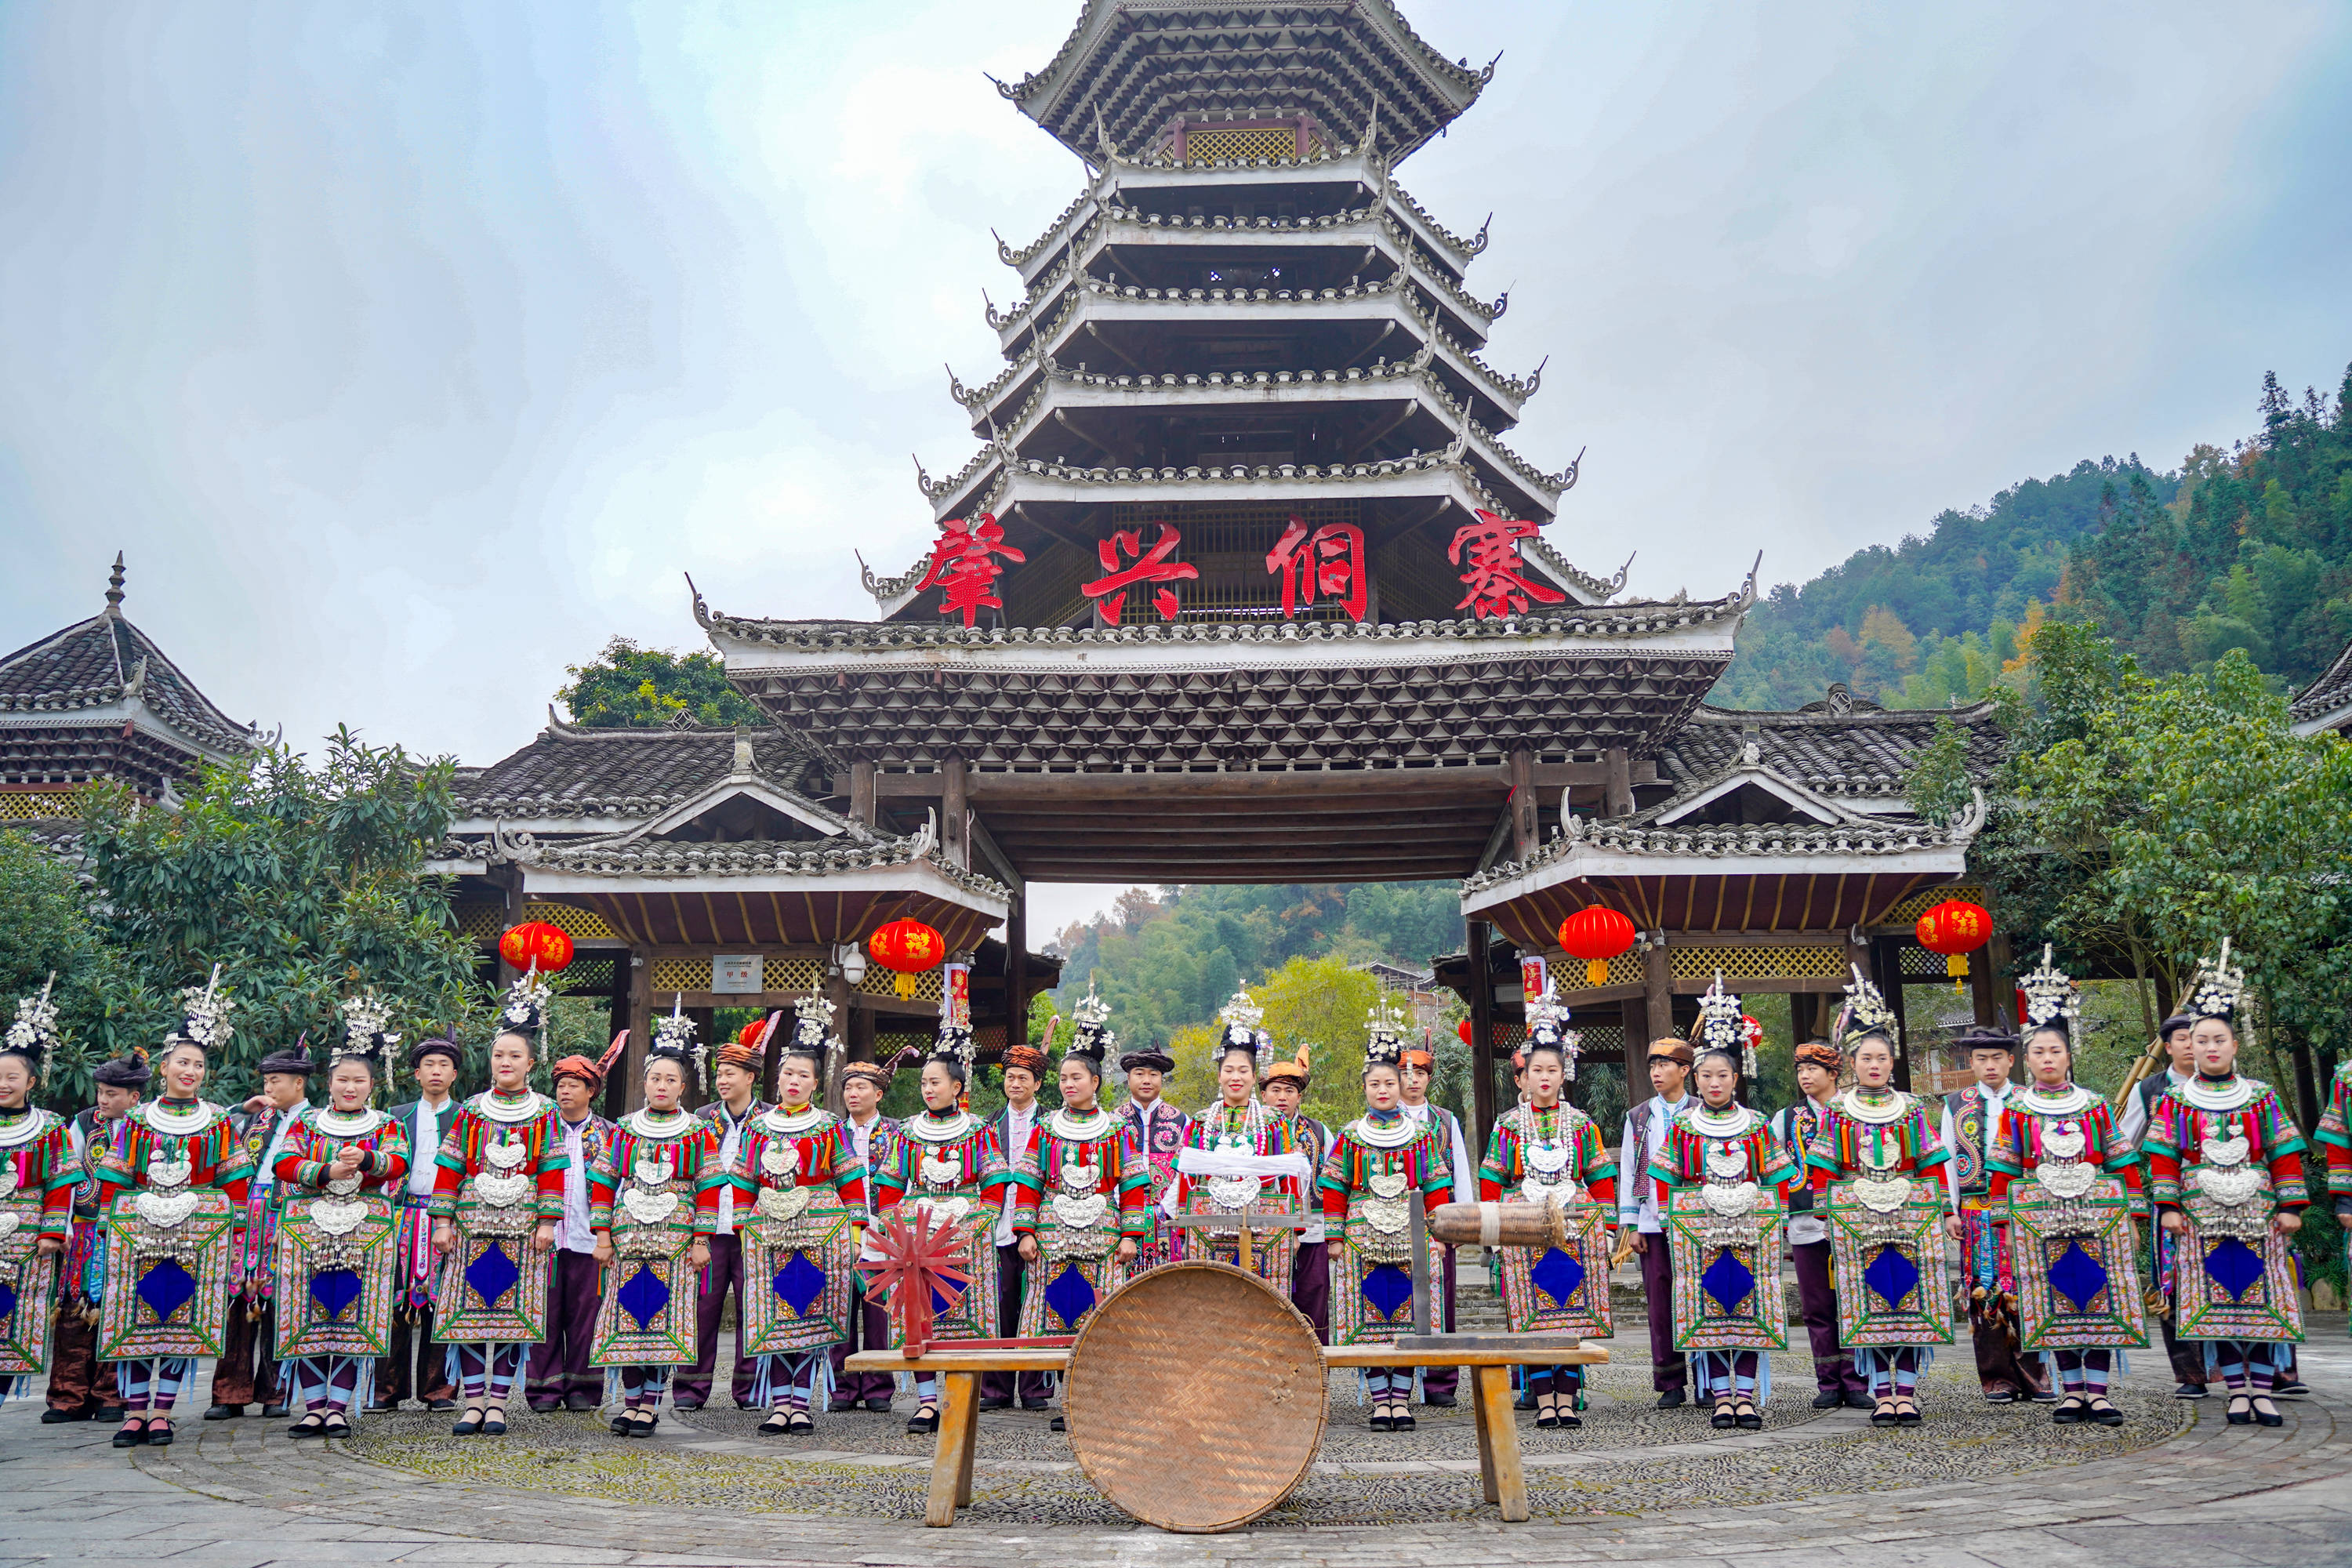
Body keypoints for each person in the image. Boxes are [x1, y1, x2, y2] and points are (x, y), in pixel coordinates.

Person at [2142, 941, 2307, 1428]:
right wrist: (2168, 1205)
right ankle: (2236, 1389)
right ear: (2188, 1046)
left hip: (2259, 1214)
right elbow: (2162, 1157)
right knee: (2216, 1299)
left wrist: (2291, 1206)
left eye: (2219, 1040)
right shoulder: (2175, 1100)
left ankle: (2263, 1387)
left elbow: (2283, 1154)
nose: (2210, 1048)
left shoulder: (2261, 1096)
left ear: (2236, 1045)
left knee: (2261, 1296)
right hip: (2198, 1216)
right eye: (2202, 1041)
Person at [92, 975, 253, 1448]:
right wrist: (108, 1223)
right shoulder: (136, 1121)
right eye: (182, 1062)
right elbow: (116, 1179)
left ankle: (163, 1412)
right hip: (138, 1236)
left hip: (196, 1239)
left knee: (182, 1316)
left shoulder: (220, 1121)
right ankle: (134, 1411)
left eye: (199, 1065)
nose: (191, 1071)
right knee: (135, 1316)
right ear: (164, 1067)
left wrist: (235, 1231)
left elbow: (234, 1182)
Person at [1986, 949, 2146, 1427]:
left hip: (2097, 1224)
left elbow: (2123, 1163)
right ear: (2027, 1060)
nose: (2047, 1058)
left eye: (2055, 1051)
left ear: (2068, 1056)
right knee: (2051, 1300)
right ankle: (2070, 1391)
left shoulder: (2095, 1106)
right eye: (2038, 1052)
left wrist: (2134, 1217)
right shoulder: (2017, 1111)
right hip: (2040, 1226)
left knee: (2099, 1298)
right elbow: (2003, 1173)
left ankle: (2099, 1392)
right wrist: (2007, 1226)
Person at [1804, 970, 1951, 1427]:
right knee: (1865, 1302)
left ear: (1893, 1062)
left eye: (1882, 1058)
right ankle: (1880, 1391)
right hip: (1857, 1224)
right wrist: (1832, 1214)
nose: (1874, 1065)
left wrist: (1944, 1211)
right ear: (1852, 1062)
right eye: (1866, 1057)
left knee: (1907, 1298)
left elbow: (1931, 1164)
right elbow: (1822, 1171)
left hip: (1910, 1219)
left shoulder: (1910, 1108)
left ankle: (1905, 1390)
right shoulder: (1835, 1111)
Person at [1650, 977, 1796, 1430]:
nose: (1715, 1083)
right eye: (1707, 1076)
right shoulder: (1683, 1127)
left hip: (1751, 1234)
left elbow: (1778, 1181)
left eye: (1723, 1075)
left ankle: (1746, 1395)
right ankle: (1719, 1396)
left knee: (1749, 1305)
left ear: (1737, 1077)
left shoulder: (1755, 1125)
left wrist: (1780, 1223)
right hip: (1699, 1238)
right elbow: (1663, 1181)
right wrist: (1675, 1224)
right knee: (1707, 1308)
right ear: (1696, 1078)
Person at [428, 970, 568, 1436]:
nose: (504, 1062)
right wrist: (442, 1222)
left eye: (514, 1055)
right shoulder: (470, 1109)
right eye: (498, 1054)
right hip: (471, 1225)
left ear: (531, 1063)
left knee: (512, 1313)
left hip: (523, 1228)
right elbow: (450, 1169)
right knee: (471, 1312)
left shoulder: (546, 1111)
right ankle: (472, 1402)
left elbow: (552, 1171)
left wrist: (549, 1222)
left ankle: (499, 1402)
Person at [733, 1000, 880, 1437]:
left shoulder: (830, 1126)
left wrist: (856, 1232)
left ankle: (802, 1403)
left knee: (810, 1312)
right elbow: (743, 1182)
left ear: (817, 1082)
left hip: (820, 1234)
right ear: (777, 1079)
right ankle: (780, 1404)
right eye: (788, 1074)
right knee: (774, 1313)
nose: (793, 1082)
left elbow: (852, 1181)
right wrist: (744, 1229)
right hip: (768, 1233)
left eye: (803, 1075)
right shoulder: (758, 1128)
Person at [267, 997, 412, 1436]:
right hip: (308, 1230)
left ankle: (338, 1406)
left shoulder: (387, 1124)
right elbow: (283, 1163)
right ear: (329, 1083)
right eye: (343, 1080)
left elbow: (399, 1162)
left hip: (365, 1233)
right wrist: (325, 1171)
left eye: (359, 1081)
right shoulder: (306, 1123)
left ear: (373, 1085)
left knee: (354, 1311)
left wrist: (368, 1160)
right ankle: (313, 1406)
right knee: (307, 1310)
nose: (350, 1088)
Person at [1012, 985, 1149, 1432]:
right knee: (1056, 1309)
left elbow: (1131, 1188)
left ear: (1095, 1083)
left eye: (1078, 1078)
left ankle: (1095, 1396)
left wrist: (1131, 1234)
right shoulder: (1045, 1130)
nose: (1069, 1084)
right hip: (1052, 1239)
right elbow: (1030, 1183)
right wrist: (1025, 1231)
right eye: (1064, 1079)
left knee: (1100, 1311)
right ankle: (1066, 1399)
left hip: (1105, 1241)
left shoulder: (1117, 1131)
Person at [1477, 993, 1615, 1429]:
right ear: (1524, 1075)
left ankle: (1569, 1398)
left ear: (1564, 1074)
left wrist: (1608, 1228)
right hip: (1523, 1226)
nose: (1544, 1077)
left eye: (1552, 1070)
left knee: (1572, 1307)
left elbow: (1601, 1177)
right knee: (1531, 1312)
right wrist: (1494, 1232)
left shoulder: (1581, 1123)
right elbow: (1492, 1181)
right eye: (1536, 1070)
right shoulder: (1508, 1124)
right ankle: (1543, 1398)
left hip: (1574, 1229)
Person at [586, 1016, 720, 1437]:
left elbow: (710, 1189)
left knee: (666, 1319)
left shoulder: (699, 1132)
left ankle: (651, 1405)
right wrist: (603, 1235)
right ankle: (629, 1402)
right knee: (629, 1315)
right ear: (645, 1083)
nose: (661, 1086)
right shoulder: (624, 1129)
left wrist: (702, 1240)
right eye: (655, 1078)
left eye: (670, 1080)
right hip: (628, 1242)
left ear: (683, 1087)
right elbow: (605, 1184)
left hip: (677, 1244)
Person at [1319, 1005, 1454, 1430]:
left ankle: (1403, 1398)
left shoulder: (1424, 1135)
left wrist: (1439, 1233)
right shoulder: (1350, 1135)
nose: (1383, 1089)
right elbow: (1336, 1189)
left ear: (1402, 1086)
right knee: (1371, 1313)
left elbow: (1435, 1189)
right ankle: (1380, 1400)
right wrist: (1335, 1237)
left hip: (1412, 1238)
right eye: (1374, 1083)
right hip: (1362, 1239)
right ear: (1364, 1088)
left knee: (1409, 1312)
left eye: (1389, 1082)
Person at [878, 1023, 1011, 1433]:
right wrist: (895, 1229)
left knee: (964, 1311)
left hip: (965, 1234)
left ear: (957, 1087)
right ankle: (926, 1401)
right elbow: (888, 1188)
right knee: (920, 1315)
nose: (927, 1089)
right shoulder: (905, 1133)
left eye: (935, 1082)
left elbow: (994, 1186)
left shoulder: (979, 1131)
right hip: (916, 1239)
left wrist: (977, 1223)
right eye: (923, 1082)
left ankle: (960, 1394)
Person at [1168, 993, 1306, 1297]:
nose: (1235, 1077)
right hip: (1207, 1226)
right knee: (1211, 1298)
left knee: (1265, 1298)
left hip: (1265, 1226)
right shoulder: (1202, 1121)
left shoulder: (1273, 1121)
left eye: (1243, 1071)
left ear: (1254, 1075)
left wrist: (1296, 1230)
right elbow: (1187, 1178)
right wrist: (1182, 1225)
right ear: (1219, 1075)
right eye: (1229, 1070)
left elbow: (1289, 1178)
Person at [205, 1044, 314, 1421]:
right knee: (235, 1297)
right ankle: (228, 1392)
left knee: (284, 1298)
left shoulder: (318, 1121)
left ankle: (275, 1392)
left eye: (275, 1081)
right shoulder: (255, 1118)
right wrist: (242, 1110)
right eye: (266, 1081)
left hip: (288, 1215)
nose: (268, 1088)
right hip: (245, 1214)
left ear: (298, 1083)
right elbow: (215, 1134)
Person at [1941, 1025, 2045, 1403]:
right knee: (1984, 1291)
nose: (1990, 1066)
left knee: (2029, 1287)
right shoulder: (1956, 1104)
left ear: (2012, 1061)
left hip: (2023, 1210)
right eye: (1982, 1059)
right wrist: (1950, 1211)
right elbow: (1949, 1162)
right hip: (1975, 1210)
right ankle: (1997, 1378)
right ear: (1971, 1063)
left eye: (1997, 1058)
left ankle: (2035, 1375)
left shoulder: (2029, 1099)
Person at [676, 1016, 774, 1412]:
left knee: (754, 1309)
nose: (722, 1080)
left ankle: (749, 1390)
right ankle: (690, 1390)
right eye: (720, 1074)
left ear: (751, 1077)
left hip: (752, 1230)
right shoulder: (701, 1118)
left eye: (731, 1073)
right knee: (701, 1308)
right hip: (710, 1230)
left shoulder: (770, 1120)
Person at [44, 1051, 147, 1425]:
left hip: (125, 1232)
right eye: (100, 1092)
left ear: (134, 1098)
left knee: (118, 1310)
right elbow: (69, 1172)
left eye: (111, 1094)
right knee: (74, 1311)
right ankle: (67, 1398)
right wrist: (64, 1225)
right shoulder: (84, 1123)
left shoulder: (147, 1127)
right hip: (86, 1231)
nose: (103, 1100)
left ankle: (111, 1397)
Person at [1769, 1040, 1867, 1410]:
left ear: (1833, 1074)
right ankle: (1828, 1380)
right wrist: (1777, 1219)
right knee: (1816, 1305)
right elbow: (1773, 1168)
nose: (1805, 1076)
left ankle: (1856, 1381)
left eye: (1812, 1069)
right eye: (1800, 1070)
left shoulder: (1854, 1111)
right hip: (1806, 1220)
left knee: (1855, 1299)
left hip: (1854, 1219)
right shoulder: (1787, 1117)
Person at [525, 1038, 620, 1414]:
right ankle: (544, 1389)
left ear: (591, 1091)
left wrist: (607, 1234)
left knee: (586, 1314)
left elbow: (616, 1185)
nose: (565, 1091)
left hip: (588, 1237)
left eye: (573, 1085)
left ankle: (584, 1387)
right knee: (543, 1312)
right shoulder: (538, 1129)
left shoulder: (611, 1133)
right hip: (543, 1235)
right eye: (561, 1084)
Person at [0, 978, 76, 1406]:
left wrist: (51, 1231)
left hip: (26, 1241)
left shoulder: (49, 1128)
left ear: (31, 1082)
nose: (3, 1083)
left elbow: (61, 1182)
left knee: (12, 1322)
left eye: (13, 1077)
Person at [378, 1034, 463, 1411]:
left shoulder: (466, 1117)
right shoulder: (396, 1116)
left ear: (455, 1074)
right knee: (391, 1300)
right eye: (429, 1065)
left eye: (444, 1065)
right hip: (401, 1214)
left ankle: (438, 1390)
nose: (436, 1071)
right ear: (416, 1073)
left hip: (448, 1218)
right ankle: (386, 1389)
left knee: (443, 1301)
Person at [1399, 1036, 1474, 1407]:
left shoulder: (1445, 1120)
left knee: (1442, 1301)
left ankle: (1441, 1383)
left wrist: (1462, 1220)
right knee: (1396, 1298)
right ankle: (1397, 1379)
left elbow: (1460, 1168)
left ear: (1429, 1078)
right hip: (1391, 1222)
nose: (1412, 1080)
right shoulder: (1381, 1118)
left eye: (1420, 1074)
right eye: (1405, 1073)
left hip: (1436, 1220)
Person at [1621, 1034, 1695, 1408]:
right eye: (1653, 1065)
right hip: (1653, 1223)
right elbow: (1630, 1169)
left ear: (1685, 1070)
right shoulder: (1639, 1116)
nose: (1657, 1072)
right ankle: (1670, 1380)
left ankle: (1711, 1379)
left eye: (1665, 1065)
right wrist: (1632, 1225)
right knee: (1660, 1301)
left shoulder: (1702, 1109)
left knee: (1700, 1297)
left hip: (1696, 1223)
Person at [980, 1040, 1053, 1410]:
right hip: (997, 1222)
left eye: (1024, 1078)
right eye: (1010, 1077)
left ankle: (1034, 1388)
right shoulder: (990, 1124)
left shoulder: (1053, 1124)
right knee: (999, 1301)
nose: (1016, 1084)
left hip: (1041, 1222)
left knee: (1036, 1303)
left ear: (1037, 1084)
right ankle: (994, 1387)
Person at [829, 1052, 902, 1413]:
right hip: (837, 1231)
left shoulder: (898, 1133)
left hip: (882, 1229)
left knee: (878, 1310)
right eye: (848, 1088)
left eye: (861, 1087)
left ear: (879, 1094)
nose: (853, 1094)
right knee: (839, 1307)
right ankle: (842, 1386)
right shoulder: (830, 1132)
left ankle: (877, 1384)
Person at [1261, 1046, 1331, 1341]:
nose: (1282, 1097)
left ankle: (1317, 1371)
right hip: (1265, 1231)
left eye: (1289, 1091)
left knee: (1312, 1298)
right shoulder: (1254, 1131)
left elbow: (1333, 1181)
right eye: (1275, 1090)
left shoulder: (1318, 1131)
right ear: (1262, 1094)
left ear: (1299, 1097)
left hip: (1313, 1231)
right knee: (1269, 1301)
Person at [1117, 1033, 1190, 1272]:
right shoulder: (1113, 1122)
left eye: (1154, 1075)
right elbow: (1107, 1167)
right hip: (1122, 1217)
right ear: (1128, 1078)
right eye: (1139, 1074)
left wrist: (1166, 1206)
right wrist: (1121, 1205)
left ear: (1162, 1080)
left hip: (1168, 1216)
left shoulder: (1181, 1120)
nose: (1146, 1080)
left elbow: (1186, 1168)